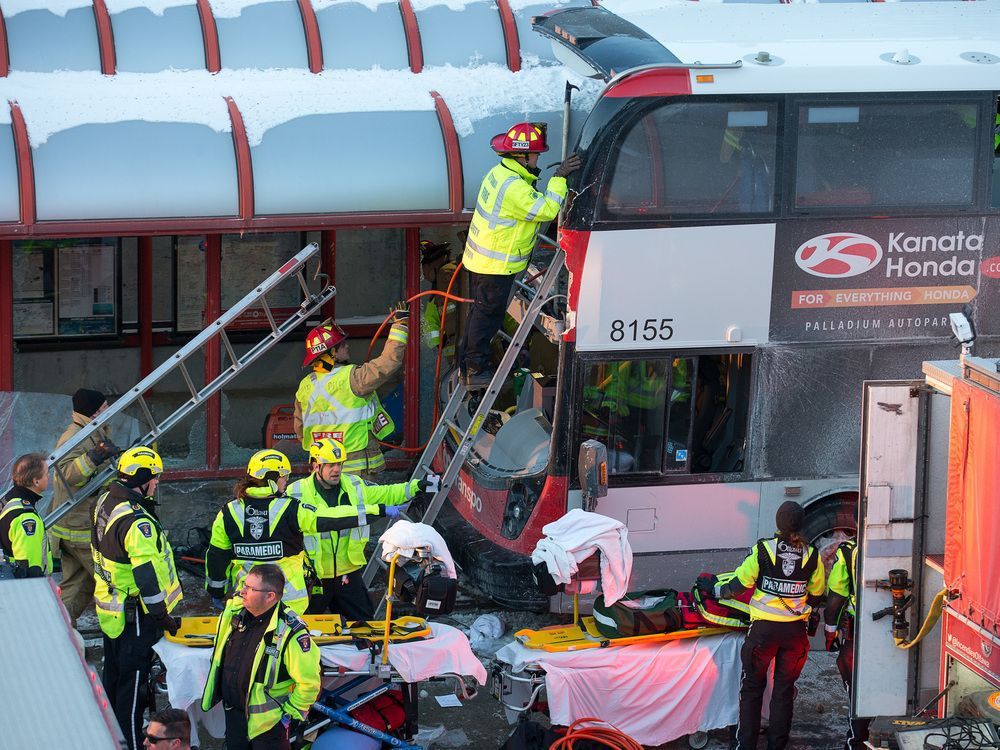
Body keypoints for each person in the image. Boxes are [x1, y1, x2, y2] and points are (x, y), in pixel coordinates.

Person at [205, 449, 411, 615]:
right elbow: (331, 517)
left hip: (248, 601)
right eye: (283, 477)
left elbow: (216, 556)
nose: (286, 481)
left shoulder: (228, 512)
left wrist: (217, 590)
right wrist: (379, 510)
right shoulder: (290, 509)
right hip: (289, 604)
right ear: (271, 479)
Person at [459, 122, 581, 389]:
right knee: (487, 317)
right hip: (495, 265)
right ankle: (476, 370)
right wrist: (559, 177)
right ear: (521, 156)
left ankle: (467, 366)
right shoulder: (515, 187)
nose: (539, 158)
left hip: (483, 261)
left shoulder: (501, 173)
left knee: (479, 315)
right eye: (536, 154)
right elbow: (548, 209)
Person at [702, 500, 825, 750]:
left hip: (763, 634)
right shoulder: (812, 555)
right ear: (802, 524)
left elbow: (738, 586)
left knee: (752, 688)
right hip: (795, 635)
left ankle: (745, 745)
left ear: (777, 523)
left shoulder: (763, 550)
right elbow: (817, 593)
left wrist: (714, 590)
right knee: (783, 692)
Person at [91, 446, 182, 750]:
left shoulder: (106, 500)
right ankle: (129, 744)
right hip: (136, 616)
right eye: (154, 477)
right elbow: (146, 578)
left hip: (112, 610)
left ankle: (109, 737)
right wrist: (162, 616)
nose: (156, 483)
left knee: (114, 681)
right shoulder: (135, 522)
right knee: (132, 691)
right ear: (142, 478)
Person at [286, 438, 431, 620]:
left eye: (339, 464)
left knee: (365, 626)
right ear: (315, 466)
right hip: (313, 577)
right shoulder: (295, 492)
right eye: (330, 465)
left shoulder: (354, 485)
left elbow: (385, 493)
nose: (337, 469)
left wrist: (414, 487)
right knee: (302, 629)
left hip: (347, 574)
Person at [201, 564, 320, 750]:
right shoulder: (234, 613)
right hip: (234, 718)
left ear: (270, 596)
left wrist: (288, 717)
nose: (242, 592)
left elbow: (309, 683)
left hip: (268, 729)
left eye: (250, 588)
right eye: (243, 585)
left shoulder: (290, 632)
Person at [294, 313, 408, 480]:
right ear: (332, 353)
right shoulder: (353, 378)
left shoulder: (305, 385)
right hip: (356, 469)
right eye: (342, 345)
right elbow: (388, 363)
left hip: (322, 468)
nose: (347, 347)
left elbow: (300, 430)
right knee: (363, 507)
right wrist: (400, 326)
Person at [50, 387, 120, 624]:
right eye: (103, 408)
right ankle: (122, 631)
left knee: (76, 589)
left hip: (77, 527)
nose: (108, 411)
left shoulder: (92, 432)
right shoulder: (75, 437)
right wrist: (93, 458)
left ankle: (55, 631)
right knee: (113, 583)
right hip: (79, 530)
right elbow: (64, 474)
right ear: (92, 413)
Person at [825, 538, 868, 749]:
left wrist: (830, 630)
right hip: (897, 628)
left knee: (854, 678)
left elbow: (836, 596)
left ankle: (857, 739)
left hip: (858, 630)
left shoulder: (849, 550)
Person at [0, 452, 53, 578]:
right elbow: (29, 567)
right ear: (36, 481)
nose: (49, 477)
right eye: (46, 474)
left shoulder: (10, 500)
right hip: (25, 588)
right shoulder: (26, 517)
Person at [420, 239, 459, 365]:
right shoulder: (436, 293)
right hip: (456, 348)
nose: (424, 275)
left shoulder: (446, 274)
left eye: (424, 268)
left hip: (459, 347)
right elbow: (430, 322)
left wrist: (439, 343)